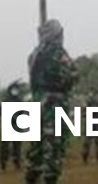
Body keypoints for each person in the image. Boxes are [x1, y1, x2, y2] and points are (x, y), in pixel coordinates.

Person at [24, 19, 78, 184]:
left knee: (37, 145)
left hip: (38, 103)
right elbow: (73, 75)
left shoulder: (34, 55)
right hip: (55, 105)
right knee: (54, 145)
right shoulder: (58, 53)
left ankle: (32, 177)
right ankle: (50, 179)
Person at [0, 82, 26, 170]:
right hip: (7, 126)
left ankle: (17, 163)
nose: (15, 91)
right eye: (13, 89)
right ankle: (3, 164)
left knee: (17, 147)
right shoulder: (5, 101)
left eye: (16, 89)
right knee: (5, 147)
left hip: (17, 126)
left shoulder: (20, 101)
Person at [81, 93, 98, 164]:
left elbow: (83, 112)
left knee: (87, 141)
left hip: (90, 121)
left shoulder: (88, 101)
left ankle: (85, 158)